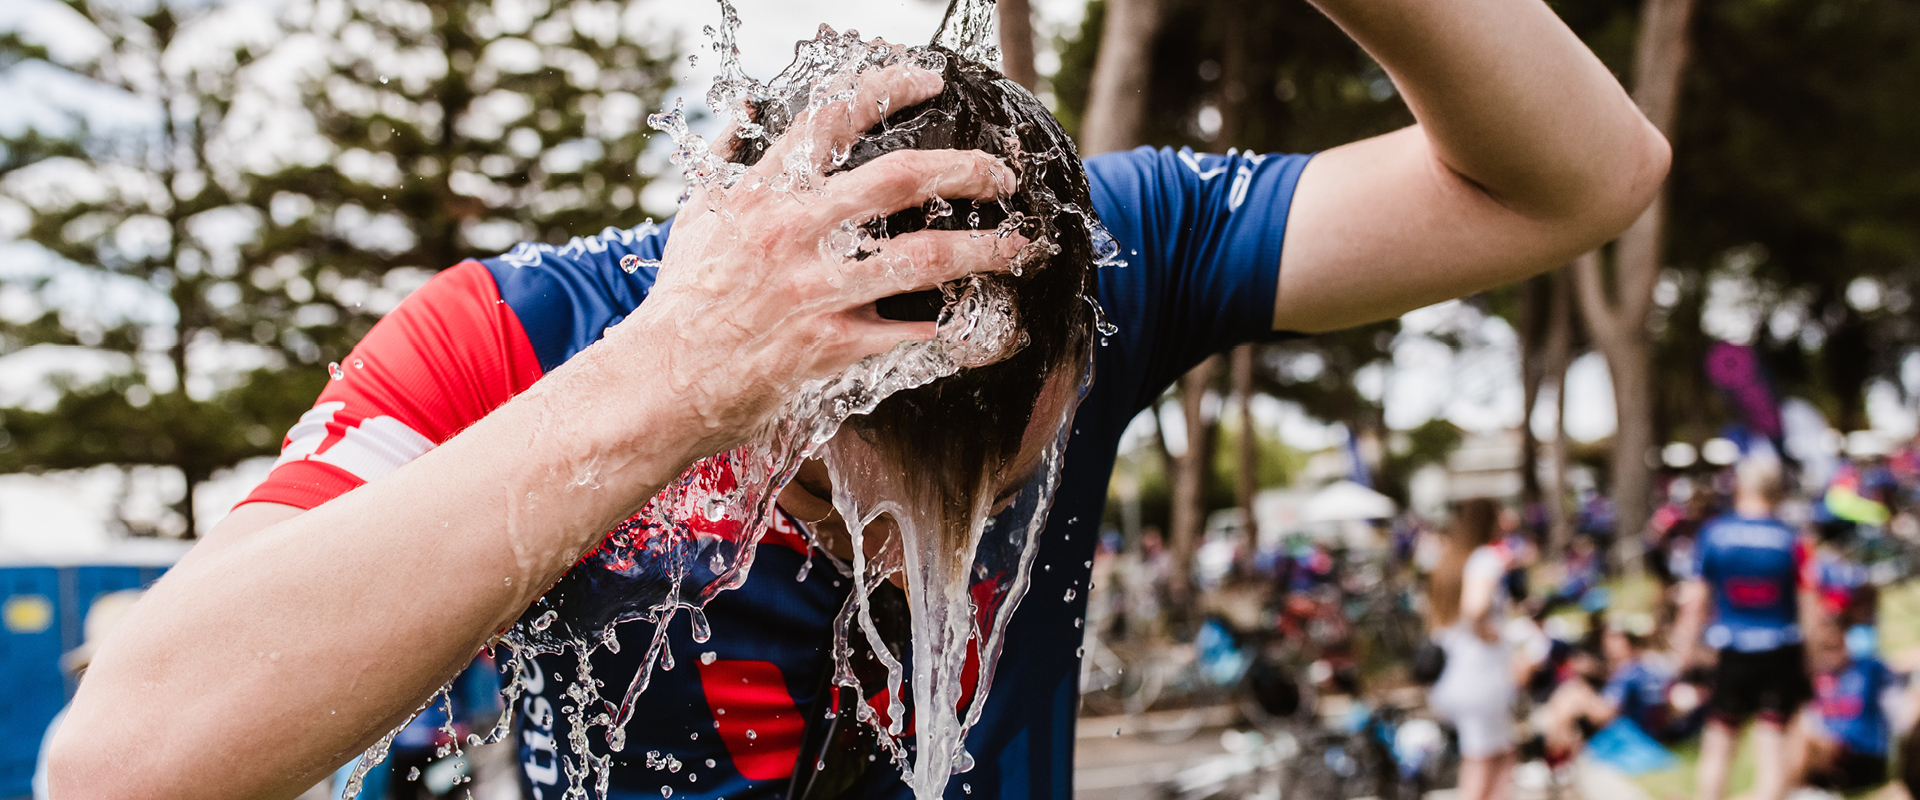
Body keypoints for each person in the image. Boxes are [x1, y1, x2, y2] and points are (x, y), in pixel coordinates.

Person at [48, 0, 1669, 796]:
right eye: (831, 497)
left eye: (999, 482)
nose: (910, 557)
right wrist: (673, 381)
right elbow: (116, 763)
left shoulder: (1104, 261)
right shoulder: (534, 342)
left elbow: (1582, 178)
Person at [1673, 457, 1813, 800]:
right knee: (1772, 752)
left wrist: (1683, 657)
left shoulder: (1715, 533)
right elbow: (1809, 603)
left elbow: (1695, 603)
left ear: (1740, 487)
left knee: (1719, 746)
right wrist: (1813, 657)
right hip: (1780, 652)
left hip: (1731, 652)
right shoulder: (1790, 538)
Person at [1425, 498, 1518, 800]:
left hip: (1452, 676)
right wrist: (1491, 634)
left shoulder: (1448, 562)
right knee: (1483, 762)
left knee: (1500, 755)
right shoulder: (1484, 558)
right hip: (1480, 678)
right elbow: (1475, 608)